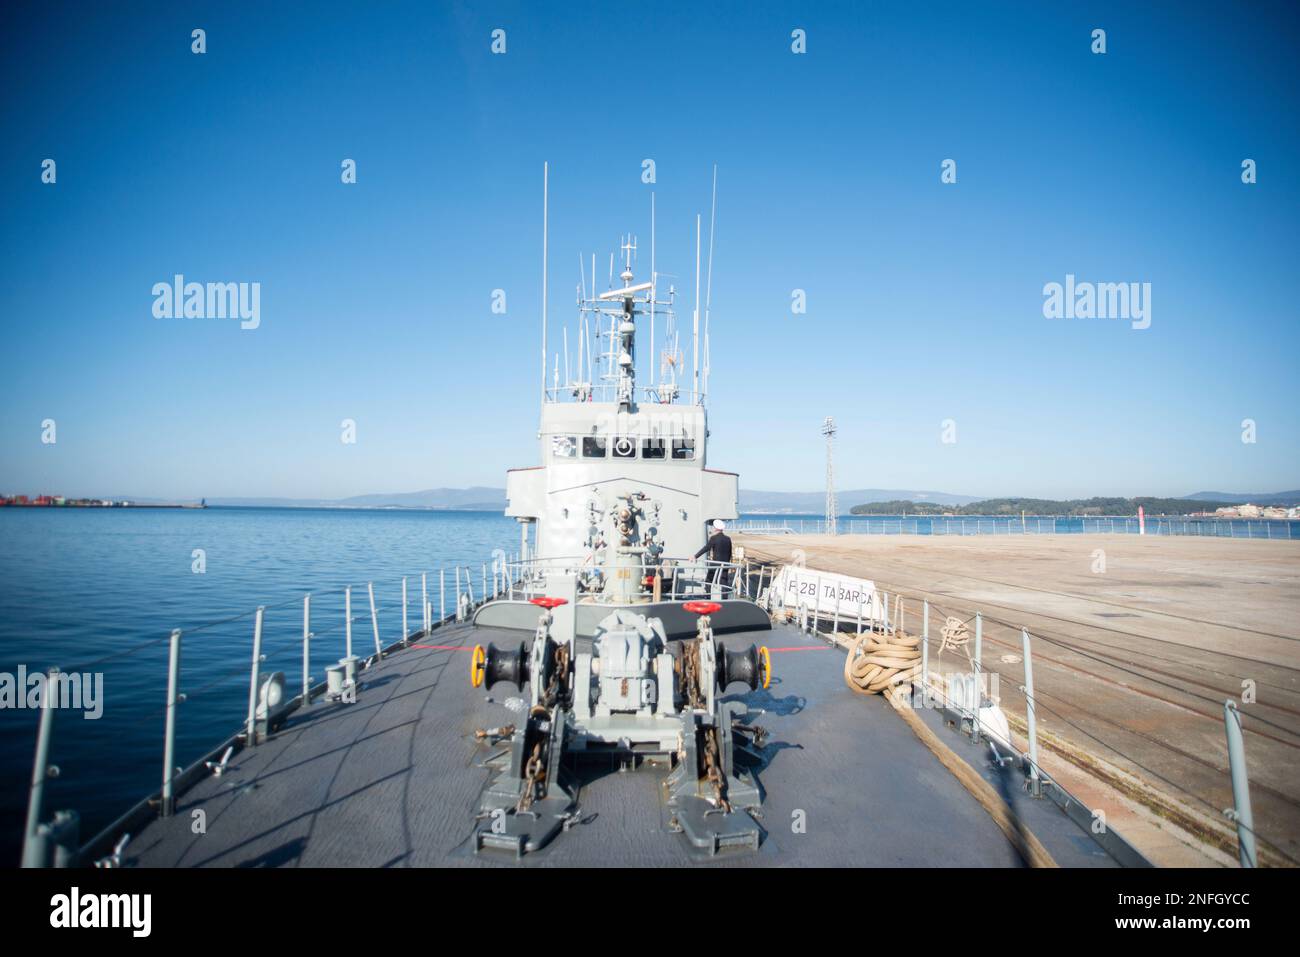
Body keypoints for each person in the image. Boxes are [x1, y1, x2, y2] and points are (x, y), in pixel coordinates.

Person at [693, 520, 733, 595]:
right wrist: (728, 564)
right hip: (725, 565)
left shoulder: (714, 538)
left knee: (708, 581)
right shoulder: (728, 539)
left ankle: (709, 596)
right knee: (723, 582)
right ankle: (724, 598)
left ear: (715, 528)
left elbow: (706, 548)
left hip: (715, 565)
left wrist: (695, 556)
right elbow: (730, 553)